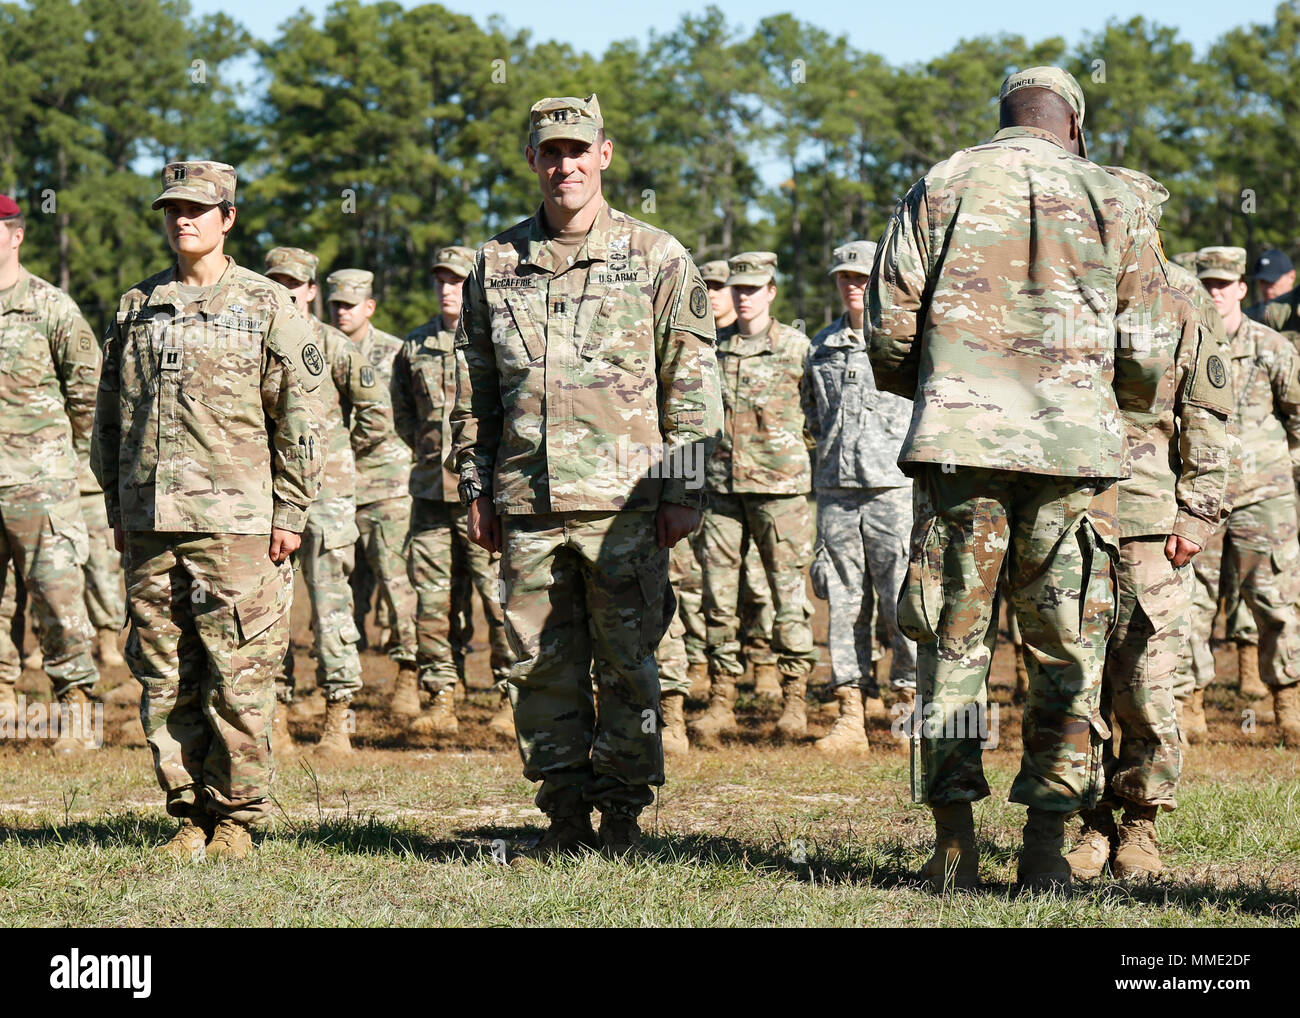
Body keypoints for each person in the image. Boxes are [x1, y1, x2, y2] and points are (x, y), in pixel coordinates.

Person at [868, 67, 1170, 891]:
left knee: (951, 644)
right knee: (1065, 649)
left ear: (1004, 116)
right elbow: (1147, 348)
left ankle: (955, 843)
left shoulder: (941, 182)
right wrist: (1106, 410)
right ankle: (1044, 847)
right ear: (1073, 125)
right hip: (1073, 458)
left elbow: (889, 329)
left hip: (960, 450)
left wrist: (944, 391)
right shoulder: (1114, 197)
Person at [451, 93, 721, 858]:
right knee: (538, 670)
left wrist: (686, 490)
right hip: (527, 501)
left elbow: (693, 383)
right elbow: (474, 390)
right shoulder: (494, 263)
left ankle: (623, 816)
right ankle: (564, 817)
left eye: (578, 150)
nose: (564, 165)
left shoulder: (658, 257)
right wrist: (477, 488)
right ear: (532, 161)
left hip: (626, 505)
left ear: (604, 154)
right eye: (550, 152)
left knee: (631, 669)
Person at [93, 161, 323, 861]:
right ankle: (188, 813)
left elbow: (299, 418)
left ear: (228, 218)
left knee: (240, 673)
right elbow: (108, 421)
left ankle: (238, 819)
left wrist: (292, 507)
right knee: (165, 676)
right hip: (151, 523)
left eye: (198, 208)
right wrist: (117, 507)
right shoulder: (135, 307)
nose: (182, 219)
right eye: (172, 209)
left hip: (239, 525)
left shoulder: (264, 304)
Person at [1063, 168, 1232, 881]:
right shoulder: (1062, 290)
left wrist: (1197, 510)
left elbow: (1211, 412)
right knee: (1071, 678)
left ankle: (1139, 825)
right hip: (1067, 513)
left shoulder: (1185, 297)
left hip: (1146, 517)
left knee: (1145, 678)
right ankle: (1084, 825)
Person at [264, 246, 390, 758]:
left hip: (328, 498)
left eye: (295, 285)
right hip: (269, 494)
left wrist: (339, 459)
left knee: (331, 602)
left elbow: (376, 413)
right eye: (277, 283)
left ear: (312, 291)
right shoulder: (258, 337)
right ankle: (276, 711)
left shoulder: (333, 345)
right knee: (269, 608)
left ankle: (338, 716)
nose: (287, 292)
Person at [1173, 247, 1300, 748]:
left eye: (1225, 283)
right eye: (1206, 283)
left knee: (1275, 599)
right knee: (1191, 603)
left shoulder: (1271, 346)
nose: (1215, 292)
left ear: (1243, 289)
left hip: (1263, 495)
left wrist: (1287, 467)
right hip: (1198, 498)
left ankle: (1287, 700)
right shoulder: (1183, 347)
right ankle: (1187, 703)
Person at [691, 251, 819, 746]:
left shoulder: (796, 348)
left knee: (788, 597)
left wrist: (788, 456)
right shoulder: (713, 349)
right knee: (718, 598)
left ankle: (794, 700)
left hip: (781, 492)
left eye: (753, 288)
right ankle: (722, 699)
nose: (743, 297)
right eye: (737, 289)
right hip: (721, 491)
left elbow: (818, 416)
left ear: (771, 291)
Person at [392, 245, 515, 738]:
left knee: (497, 598)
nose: (447, 288)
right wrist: (428, 456)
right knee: (432, 602)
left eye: (457, 280)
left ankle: (513, 694)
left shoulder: (496, 339)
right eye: (440, 280)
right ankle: (441, 695)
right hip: (429, 494)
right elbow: (402, 413)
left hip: (485, 494)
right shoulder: (414, 346)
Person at [804, 239, 916, 755]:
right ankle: (850, 712)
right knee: (843, 604)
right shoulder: (820, 348)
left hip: (893, 489)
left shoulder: (905, 342)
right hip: (836, 492)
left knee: (902, 603)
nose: (855, 285)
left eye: (864, 276)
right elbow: (812, 419)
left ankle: (907, 705)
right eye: (846, 277)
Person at [0, 194, 101, 751]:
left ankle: (77, 708)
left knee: (58, 598)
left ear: (17, 237)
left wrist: (75, 471)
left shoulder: (50, 307)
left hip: (41, 482)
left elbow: (88, 391)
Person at [328, 269, 418, 671]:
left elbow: (407, 415)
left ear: (369, 306)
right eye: (335, 305)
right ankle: (342, 673)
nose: (341, 312)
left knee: (396, 581)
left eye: (349, 305)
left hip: (385, 484)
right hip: (334, 488)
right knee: (340, 587)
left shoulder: (395, 352)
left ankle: (408, 669)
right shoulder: (319, 347)